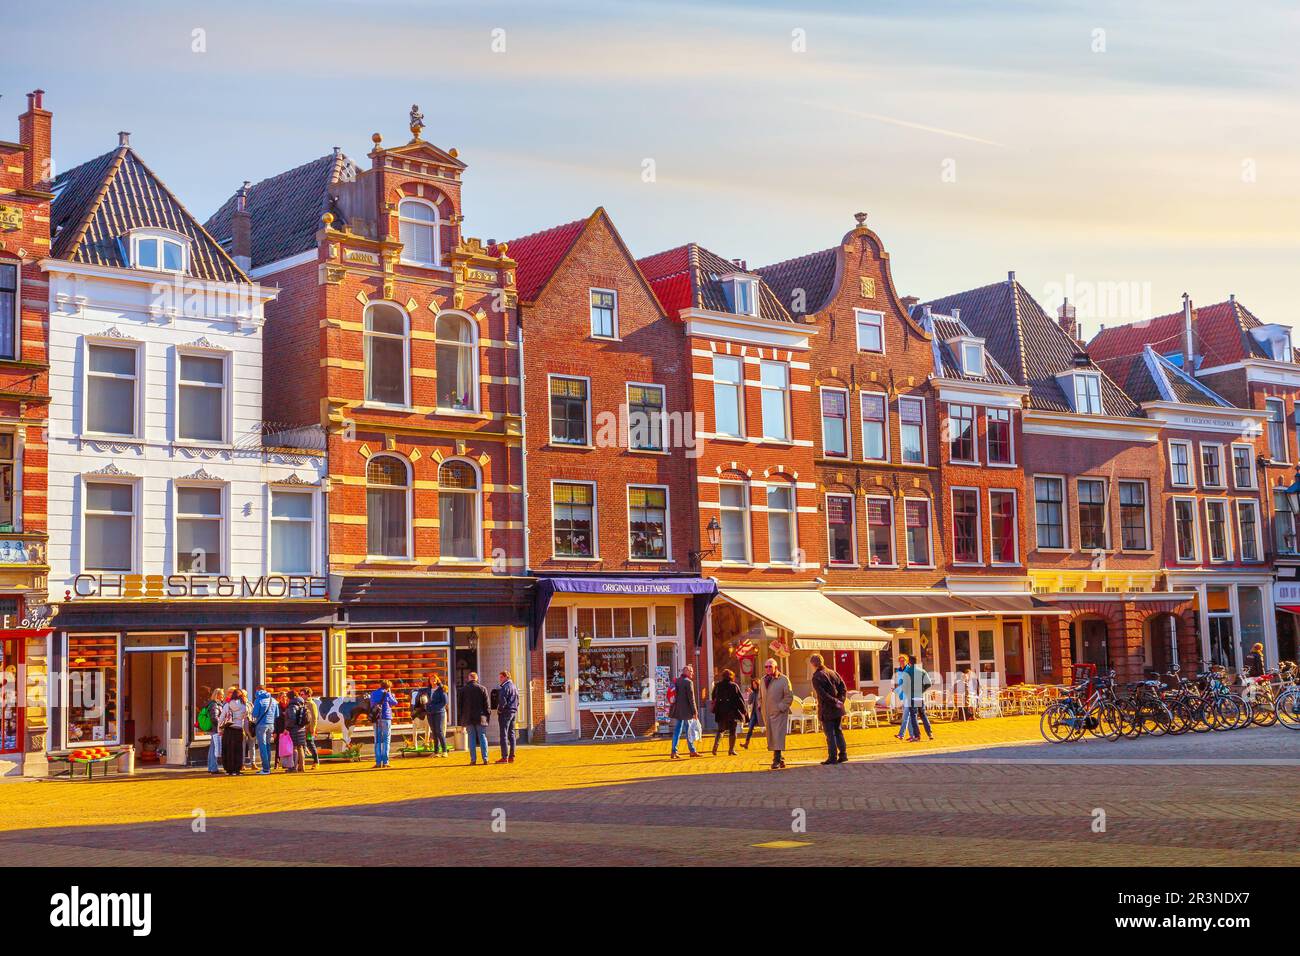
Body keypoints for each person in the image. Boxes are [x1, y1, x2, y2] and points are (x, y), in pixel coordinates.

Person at [810, 654, 848, 764]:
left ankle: (832, 757)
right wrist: (840, 701)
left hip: (827, 709)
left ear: (813, 664)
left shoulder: (817, 677)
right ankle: (843, 754)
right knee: (838, 731)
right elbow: (843, 688)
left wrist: (835, 702)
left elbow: (823, 695)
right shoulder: (833, 672)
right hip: (838, 708)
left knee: (830, 734)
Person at [760, 659, 793, 770]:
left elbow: (789, 696)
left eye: (770, 666)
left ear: (776, 667)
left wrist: (781, 707)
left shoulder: (783, 680)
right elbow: (761, 696)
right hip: (767, 713)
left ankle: (776, 760)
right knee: (772, 736)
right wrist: (760, 705)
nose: (768, 668)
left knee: (778, 735)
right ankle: (781, 759)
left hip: (779, 713)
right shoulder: (763, 680)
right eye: (766, 666)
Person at [709, 668, 748, 756]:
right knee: (732, 731)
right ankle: (731, 750)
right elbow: (739, 700)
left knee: (720, 730)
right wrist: (744, 711)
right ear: (731, 676)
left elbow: (713, 696)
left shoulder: (718, 685)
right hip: (732, 712)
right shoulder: (734, 686)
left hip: (720, 712)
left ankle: (715, 747)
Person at [458, 672, 491, 765]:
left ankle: (473, 760)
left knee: (471, 739)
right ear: (477, 678)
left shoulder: (463, 690)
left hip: (468, 717)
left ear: (469, 678)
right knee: (482, 737)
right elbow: (487, 705)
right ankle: (485, 759)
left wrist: (462, 719)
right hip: (481, 717)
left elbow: (460, 706)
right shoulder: (482, 688)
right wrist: (487, 717)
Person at [668, 665, 699, 759]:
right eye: (691, 671)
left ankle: (674, 751)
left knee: (677, 730)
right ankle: (692, 751)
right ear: (687, 671)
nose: (692, 673)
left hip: (677, 710)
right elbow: (691, 699)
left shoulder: (676, 681)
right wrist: (695, 711)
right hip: (686, 711)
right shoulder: (688, 682)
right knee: (689, 731)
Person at [217, 686, 249, 776]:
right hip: (238, 729)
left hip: (229, 729)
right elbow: (245, 716)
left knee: (229, 750)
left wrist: (219, 729)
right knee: (238, 750)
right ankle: (237, 769)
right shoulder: (244, 706)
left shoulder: (227, 705)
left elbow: (222, 717)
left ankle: (229, 770)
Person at [249, 684, 280, 774]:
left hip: (261, 725)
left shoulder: (258, 700)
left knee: (262, 746)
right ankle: (268, 768)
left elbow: (254, 714)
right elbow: (277, 714)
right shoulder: (273, 700)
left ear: (257, 690)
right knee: (268, 746)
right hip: (271, 725)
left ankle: (265, 769)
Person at [369, 679, 398, 768]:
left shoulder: (373, 693)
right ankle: (385, 762)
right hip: (386, 717)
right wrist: (391, 693)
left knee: (377, 740)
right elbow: (395, 702)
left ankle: (378, 762)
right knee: (386, 740)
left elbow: (371, 705)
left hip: (376, 718)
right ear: (388, 687)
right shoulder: (387, 693)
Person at [904, 658, 933, 742]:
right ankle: (930, 734)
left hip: (911, 697)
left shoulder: (907, 671)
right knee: (923, 715)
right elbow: (929, 683)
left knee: (914, 716)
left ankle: (917, 736)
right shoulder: (922, 671)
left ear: (909, 662)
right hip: (920, 696)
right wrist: (922, 690)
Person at [494, 671, 519, 764]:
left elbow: (502, 702)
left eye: (501, 677)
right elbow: (518, 700)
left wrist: (499, 710)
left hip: (505, 713)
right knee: (512, 734)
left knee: (503, 735)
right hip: (513, 712)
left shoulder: (505, 687)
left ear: (506, 677)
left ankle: (504, 757)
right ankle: (512, 756)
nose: (499, 679)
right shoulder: (514, 686)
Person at [282, 689, 308, 772]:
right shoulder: (301, 703)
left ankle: (294, 767)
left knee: (294, 748)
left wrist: (287, 728)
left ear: (289, 697)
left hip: (294, 729)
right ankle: (302, 767)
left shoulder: (292, 705)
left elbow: (292, 718)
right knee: (300, 747)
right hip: (302, 728)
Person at [427, 674, 449, 757]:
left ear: (437, 680)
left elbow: (444, 702)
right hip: (430, 713)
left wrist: (435, 707)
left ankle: (444, 751)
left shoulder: (441, 689)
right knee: (434, 732)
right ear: (429, 681)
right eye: (431, 679)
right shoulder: (428, 690)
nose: (432, 680)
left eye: (434, 678)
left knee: (439, 731)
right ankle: (436, 752)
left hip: (439, 712)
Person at [205, 687, 225, 774]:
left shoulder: (214, 704)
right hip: (215, 729)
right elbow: (214, 718)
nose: (223, 696)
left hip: (213, 729)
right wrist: (220, 726)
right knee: (214, 748)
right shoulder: (215, 705)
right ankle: (213, 768)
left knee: (212, 748)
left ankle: (211, 767)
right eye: (222, 695)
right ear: (218, 695)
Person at [299, 688, 320, 769]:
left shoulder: (312, 704)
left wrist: (313, 729)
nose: (301, 696)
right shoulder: (301, 703)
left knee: (310, 744)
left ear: (308, 695)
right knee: (303, 745)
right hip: (302, 728)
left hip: (308, 729)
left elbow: (314, 718)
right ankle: (302, 763)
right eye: (300, 694)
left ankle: (316, 761)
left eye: (302, 694)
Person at [893, 655, 911, 740]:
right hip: (903, 695)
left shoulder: (909, 669)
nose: (901, 662)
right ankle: (913, 735)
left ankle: (901, 734)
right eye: (900, 661)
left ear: (906, 661)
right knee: (909, 717)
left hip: (909, 694)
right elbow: (900, 682)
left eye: (903, 661)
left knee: (906, 716)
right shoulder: (898, 670)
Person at [742, 676, 762, 749]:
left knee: (767, 728)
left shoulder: (762, 692)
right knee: (750, 728)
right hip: (754, 713)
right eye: (753, 684)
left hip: (761, 713)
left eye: (755, 684)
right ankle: (746, 743)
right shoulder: (753, 693)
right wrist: (750, 693)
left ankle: (771, 743)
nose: (754, 686)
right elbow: (749, 702)